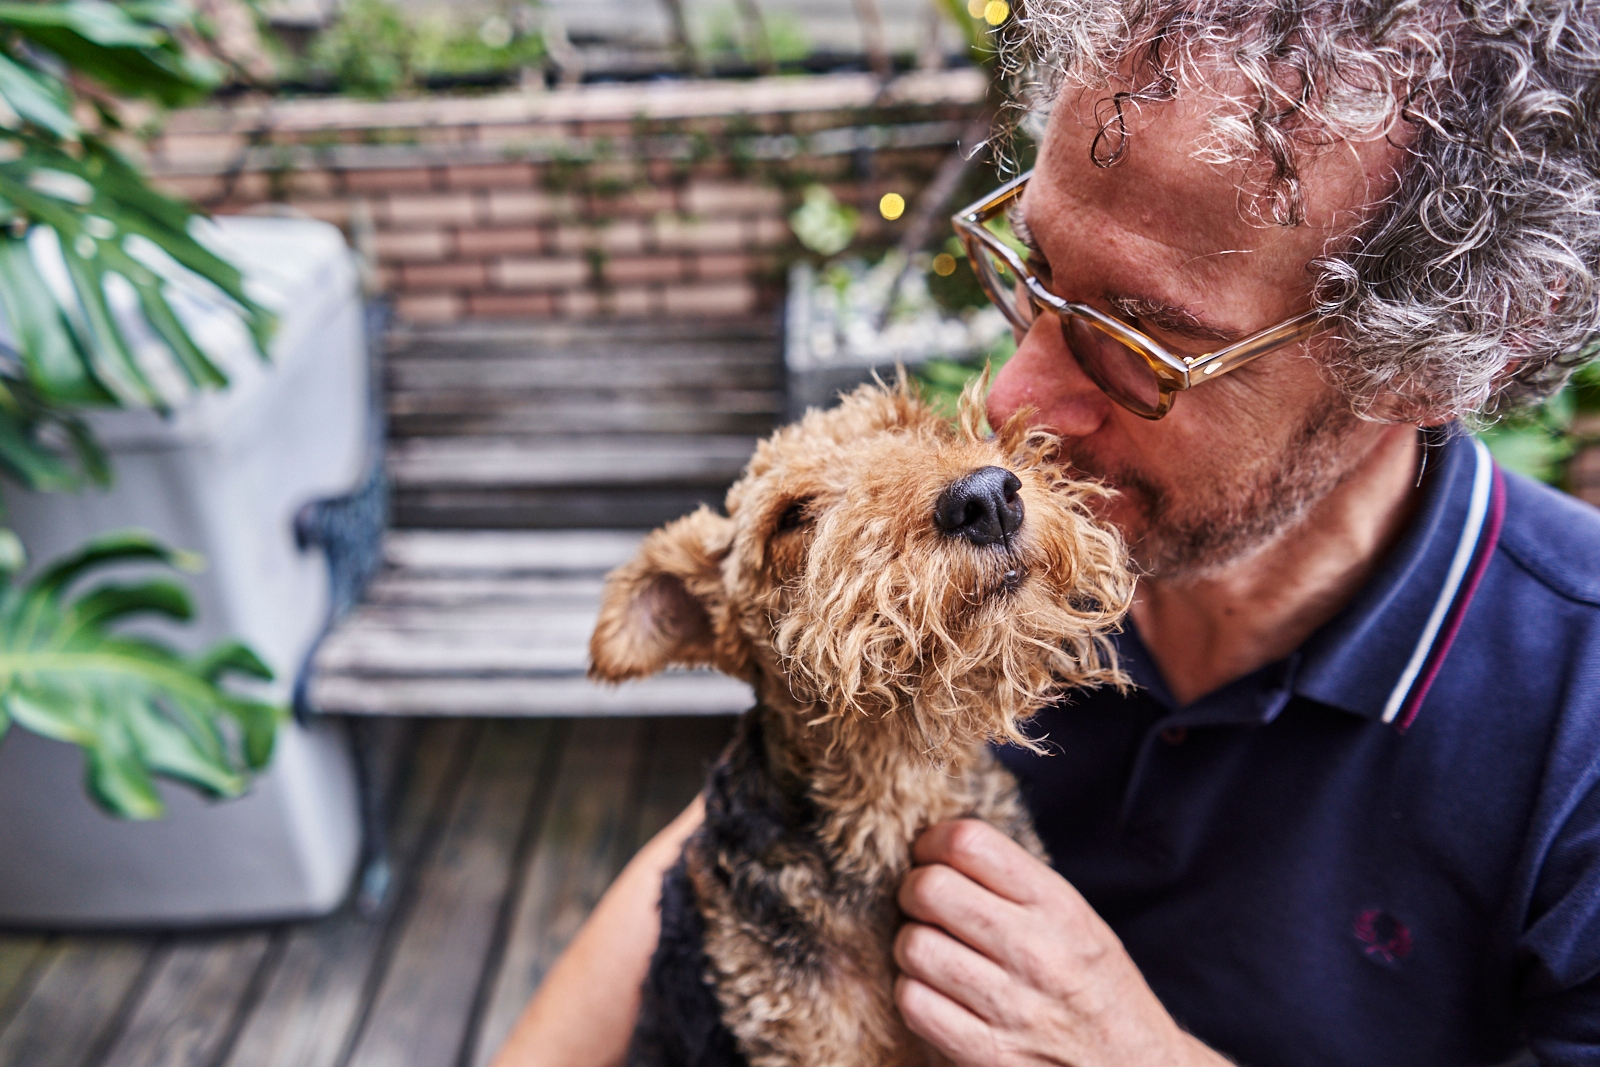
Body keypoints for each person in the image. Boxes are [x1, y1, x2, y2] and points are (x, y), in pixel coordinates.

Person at [493, 2, 1600, 1064]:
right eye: (1035, 272)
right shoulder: (988, 548)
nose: (1014, 404)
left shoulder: (1576, 728)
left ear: (1437, 359)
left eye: (1142, 342)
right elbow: (735, 847)